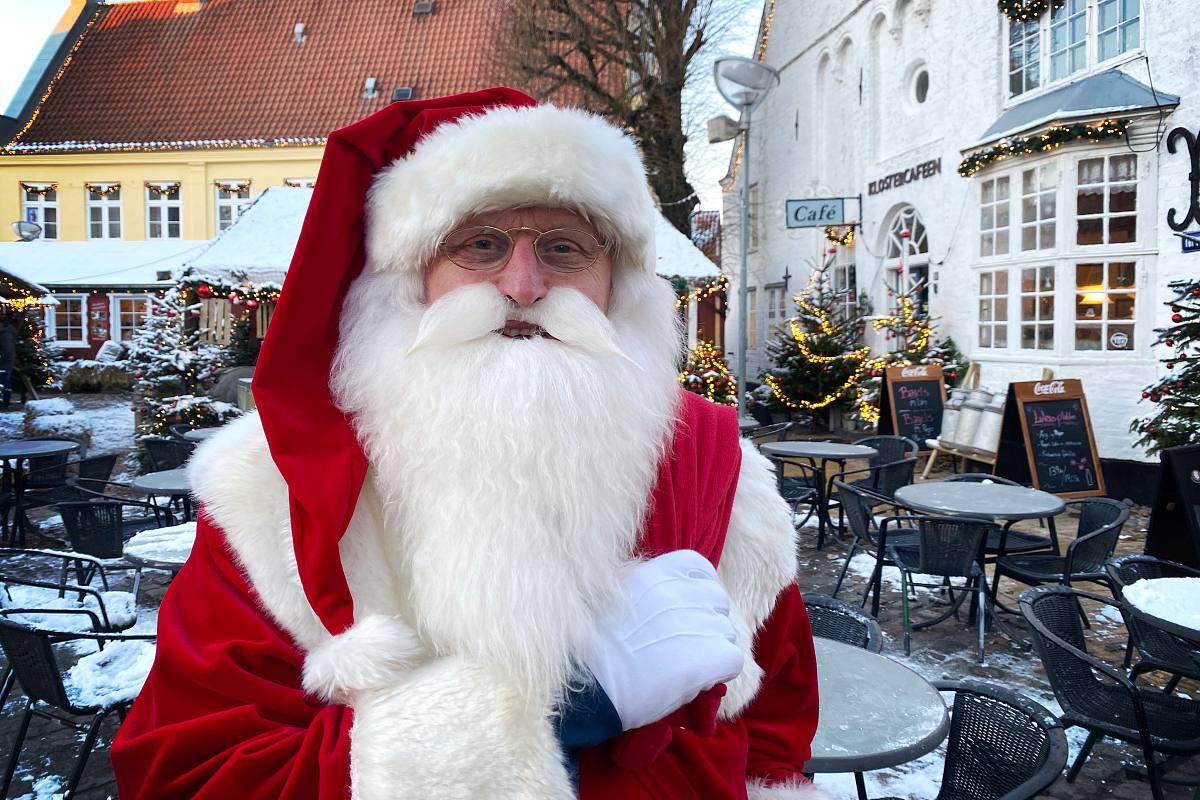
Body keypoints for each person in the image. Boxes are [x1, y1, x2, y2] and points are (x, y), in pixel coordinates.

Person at [111, 88, 824, 799]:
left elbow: (774, 734)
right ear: (409, 279)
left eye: (565, 248)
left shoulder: (718, 468)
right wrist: (549, 711)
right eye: (479, 245)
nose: (522, 285)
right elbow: (191, 772)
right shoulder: (270, 490)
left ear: (618, 283)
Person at [0, 318, 16, 408]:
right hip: (6, 362)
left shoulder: (6, 335)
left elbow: (7, 351)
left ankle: (4, 403)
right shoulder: (5, 334)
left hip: (4, 363)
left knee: (3, 383)